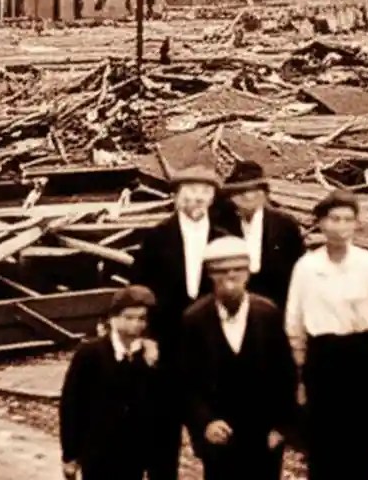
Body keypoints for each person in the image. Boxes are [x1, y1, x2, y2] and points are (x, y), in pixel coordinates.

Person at [285, 190, 368, 480]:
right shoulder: (307, 267)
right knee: (323, 440)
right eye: (334, 219)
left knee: (360, 440)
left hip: (361, 356)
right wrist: (299, 364)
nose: (341, 226)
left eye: (348, 220)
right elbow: (295, 317)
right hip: (323, 357)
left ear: (355, 224)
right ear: (321, 223)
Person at [130, 164, 221, 480]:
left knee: (213, 434)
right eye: (190, 192)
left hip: (211, 351)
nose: (196, 199)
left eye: (204, 192)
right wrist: (148, 337)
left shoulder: (224, 239)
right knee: (161, 436)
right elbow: (138, 290)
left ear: (212, 198)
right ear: (176, 197)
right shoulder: (156, 238)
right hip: (165, 349)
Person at [181, 237, 297, 480]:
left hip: (263, 434)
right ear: (210, 275)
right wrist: (205, 424)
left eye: (237, 270)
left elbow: (285, 374)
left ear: (248, 273)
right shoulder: (195, 320)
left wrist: (280, 426)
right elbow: (186, 382)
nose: (230, 277)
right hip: (219, 433)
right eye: (221, 271)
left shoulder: (267, 314)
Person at [59, 285, 161, 480]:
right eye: (129, 317)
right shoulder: (90, 353)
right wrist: (70, 453)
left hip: (133, 454)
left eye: (141, 319)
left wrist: (150, 367)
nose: (136, 325)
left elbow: (153, 406)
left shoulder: (148, 356)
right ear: (113, 319)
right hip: (97, 452)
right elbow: (71, 404)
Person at [212, 161, 306, 308]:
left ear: (265, 194)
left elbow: (299, 270)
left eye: (255, 190)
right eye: (242, 192)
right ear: (231, 197)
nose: (249, 197)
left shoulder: (284, 225)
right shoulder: (219, 224)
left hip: (278, 305)